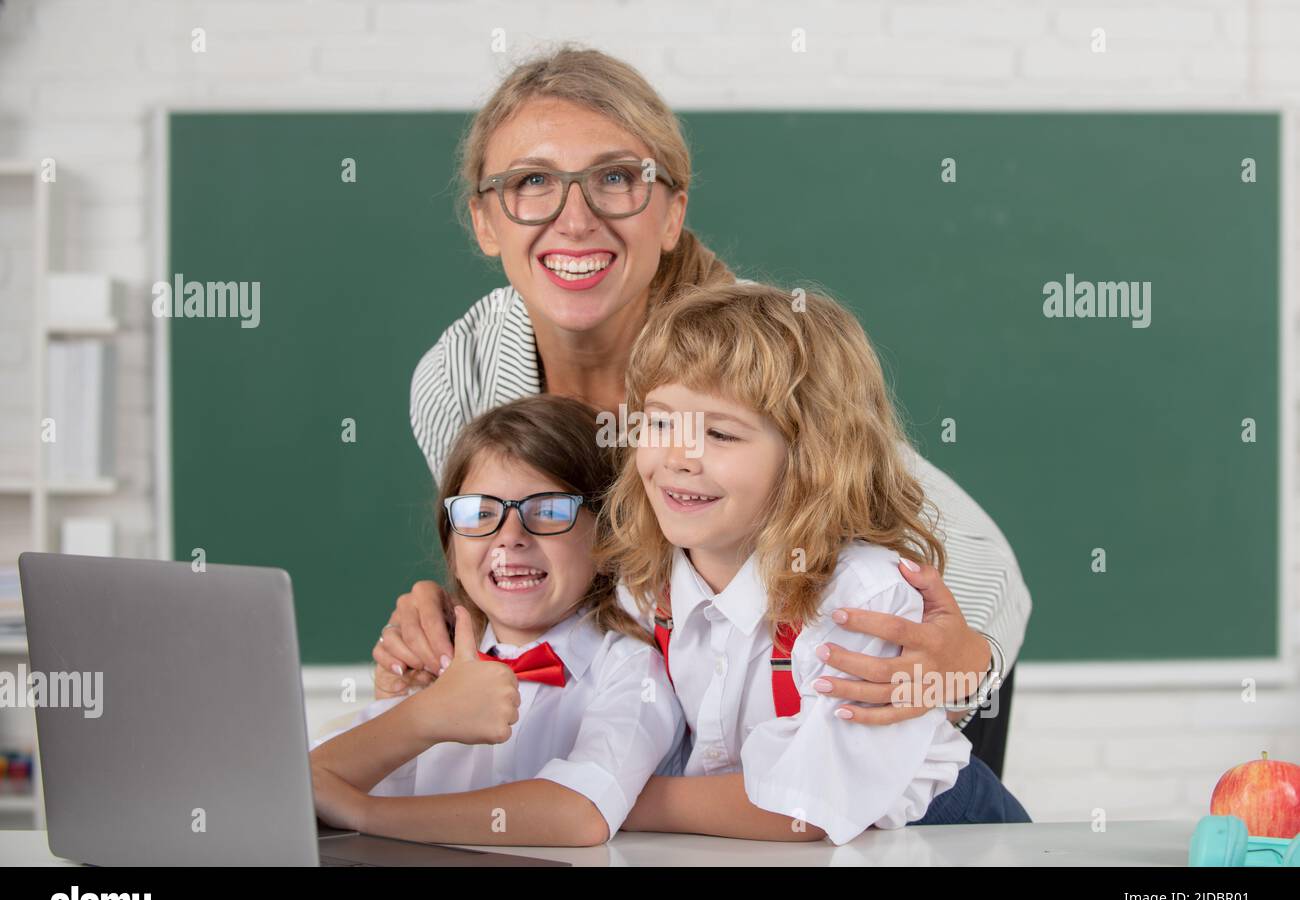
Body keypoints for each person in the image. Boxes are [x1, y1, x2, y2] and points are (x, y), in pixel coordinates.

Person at [374, 43, 1031, 777]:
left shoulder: (752, 352)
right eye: (532, 182)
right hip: (666, 715)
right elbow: (534, 557)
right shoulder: (458, 375)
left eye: (616, 179)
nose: (575, 218)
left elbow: (978, 565)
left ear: (671, 213)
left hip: (842, 712)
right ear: (487, 221)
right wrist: (452, 608)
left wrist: (962, 665)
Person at [601, 281, 1030, 840]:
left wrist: (607, 800)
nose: (679, 457)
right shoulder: (644, 587)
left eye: (722, 433)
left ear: (813, 459)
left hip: (944, 840)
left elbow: (803, 811)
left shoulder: (862, 598)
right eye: (659, 423)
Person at [309, 395, 683, 846]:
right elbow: (308, 786)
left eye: (548, 510)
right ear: (452, 542)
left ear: (608, 535)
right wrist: (424, 716)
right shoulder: (435, 665)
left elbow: (581, 812)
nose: (510, 538)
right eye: (480, 512)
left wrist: (366, 813)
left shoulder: (631, 670)